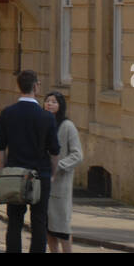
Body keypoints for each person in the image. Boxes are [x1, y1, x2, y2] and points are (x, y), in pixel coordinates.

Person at [0, 70, 61, 253]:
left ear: (19, 87)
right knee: (39, 222)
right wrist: (52, 174)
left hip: (14, 174)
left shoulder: (7, 113)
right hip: (40, 175)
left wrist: (2, 170)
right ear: (35, 86)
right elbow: (55, 151)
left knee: (14, 222)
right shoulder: (46, 117)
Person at [44, 91, 83, 253]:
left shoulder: (67, 126)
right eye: (47, 101)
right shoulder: (43, 123)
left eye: (54, 102)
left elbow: (77, 154)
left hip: (61, 185)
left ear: (60, 106)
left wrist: (58, 165)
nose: (50, 104)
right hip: (44, 183)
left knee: (62, 228)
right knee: (48, 229)